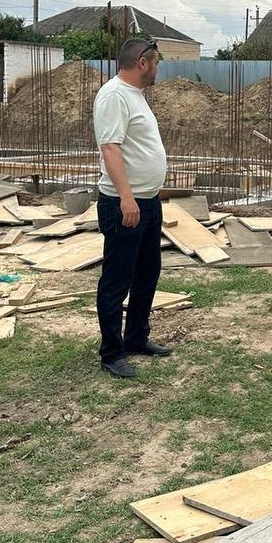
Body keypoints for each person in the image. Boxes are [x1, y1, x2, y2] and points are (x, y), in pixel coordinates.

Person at [93, 38, 172, 379]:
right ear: (142, 62)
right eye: (155, 62)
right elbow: (110, 148)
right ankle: (112, 352)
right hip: (124, 203)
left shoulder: (134, 96)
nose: (157, 69)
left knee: (147, 272)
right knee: (117, 279)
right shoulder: (113, 96)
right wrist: (126, 197)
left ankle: (137, 337)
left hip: (147, 201)